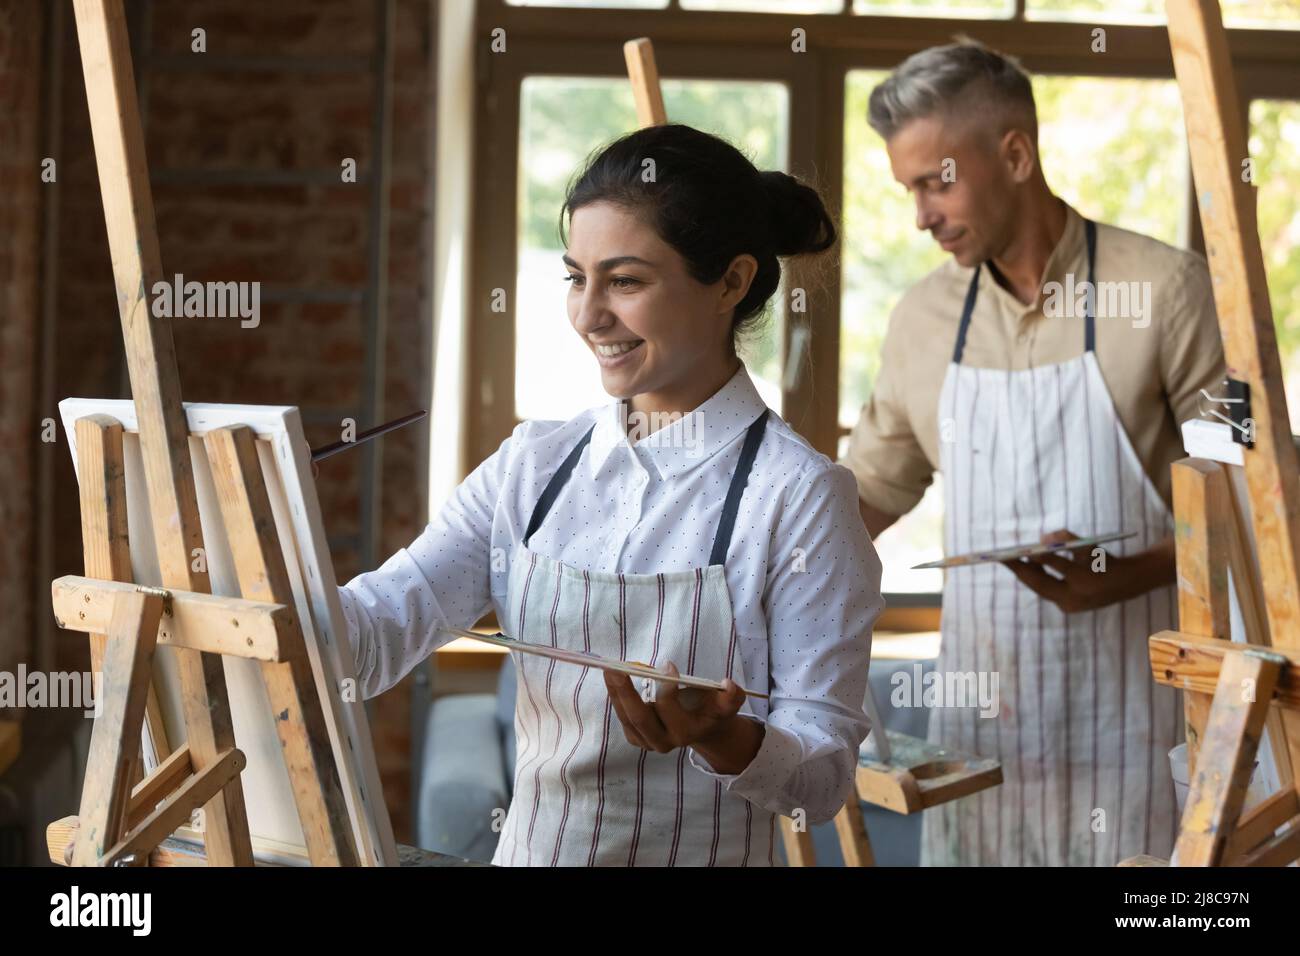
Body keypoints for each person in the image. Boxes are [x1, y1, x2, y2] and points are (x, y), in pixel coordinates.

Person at [338, 123, 884, 866]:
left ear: (729, 282)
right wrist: (245, 576)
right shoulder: (531, 466)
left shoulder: (799, 497)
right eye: (576, 276)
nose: (589, 314)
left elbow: (820, 783)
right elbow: (372, 638)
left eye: (624, 281)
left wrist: (724, 737)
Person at [839, 41, 1226, 866]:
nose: (921, 215)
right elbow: (868, 493)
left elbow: (1253, 501)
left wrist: (1136, 571)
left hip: (1138, 719)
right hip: (987, 735)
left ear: (1015, 154)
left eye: (937, 181)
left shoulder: (1164, 290)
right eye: (908, 189)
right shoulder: (921, 321)